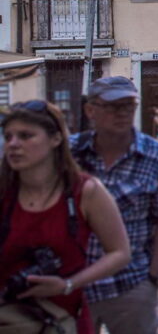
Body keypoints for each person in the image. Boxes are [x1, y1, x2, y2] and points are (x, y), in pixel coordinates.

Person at [71, 76, 158, 333]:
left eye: (128, 106)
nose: (122, 113)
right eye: (113, 106)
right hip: (74, 284)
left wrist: (153, 279)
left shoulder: (156, 157)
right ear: (91, 110)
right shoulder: (70, 154)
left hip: (130, 284)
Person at [1, 101, 131, 334]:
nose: (13, 144)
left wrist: (68, 285)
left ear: (55, 139)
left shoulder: (85, 192)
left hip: (61, 319)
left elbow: (120, 252)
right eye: (8, 136)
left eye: (25, 136)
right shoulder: (4, 191)